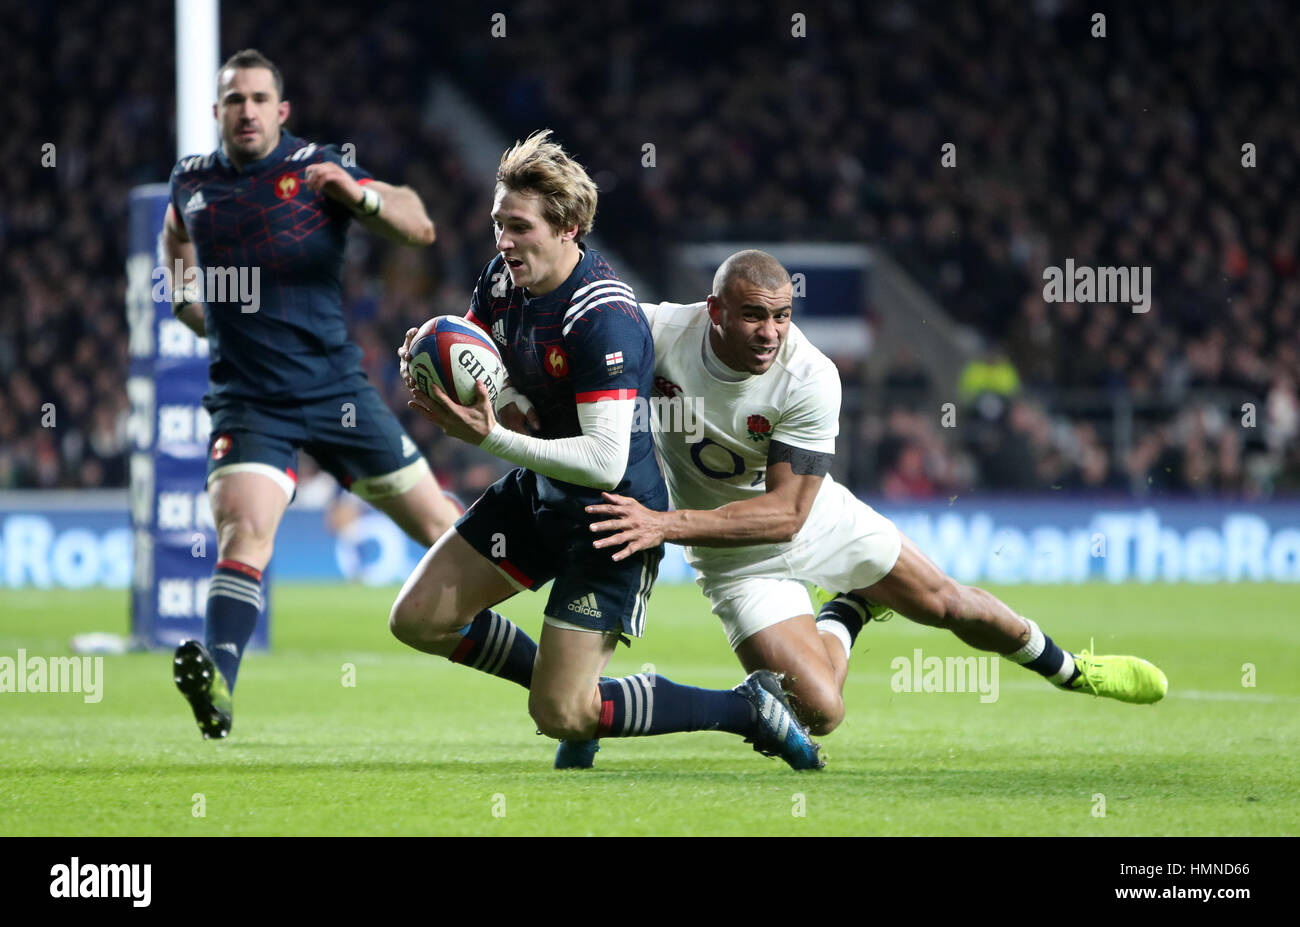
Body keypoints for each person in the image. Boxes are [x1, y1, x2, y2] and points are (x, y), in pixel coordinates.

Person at [565, 249, 1167, 763]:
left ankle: (1070, 669)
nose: (770, 332)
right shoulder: (657, 331)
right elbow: (576, 339)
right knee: (821, 711)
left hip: (810, 515)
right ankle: (851, 610)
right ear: (714, 311)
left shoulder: (809, 376)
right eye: (752, 316)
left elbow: (787, 515)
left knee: (947, 603)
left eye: (781, 316)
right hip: (732, 557)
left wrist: (663, 523)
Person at [392, 133, 822, 770]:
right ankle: (577, 693)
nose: (502, 241)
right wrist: (433, 360)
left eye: (518, 227)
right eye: (497, 225)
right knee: (418, 619)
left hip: (611, 519)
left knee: (559, 715)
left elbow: (604, 461)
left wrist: (490, 438)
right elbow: (483, 353)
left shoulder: (604, 316)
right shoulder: (503, 280)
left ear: (567, 228)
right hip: (539, 489)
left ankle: (743, 709)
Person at [163, 49, 461, 738]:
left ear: (281, 110)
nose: (246, 110)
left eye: (259, 98)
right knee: (245, 530)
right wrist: (190, 305)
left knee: (443, 533)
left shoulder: (317, 168)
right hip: (249, 400)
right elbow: (176, 245)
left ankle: (547, 668)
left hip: (336, 391)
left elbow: (419, 225)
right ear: (216, 112)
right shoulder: (193, 183)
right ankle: (220, 688)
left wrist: (362, 197)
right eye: (234, 99)